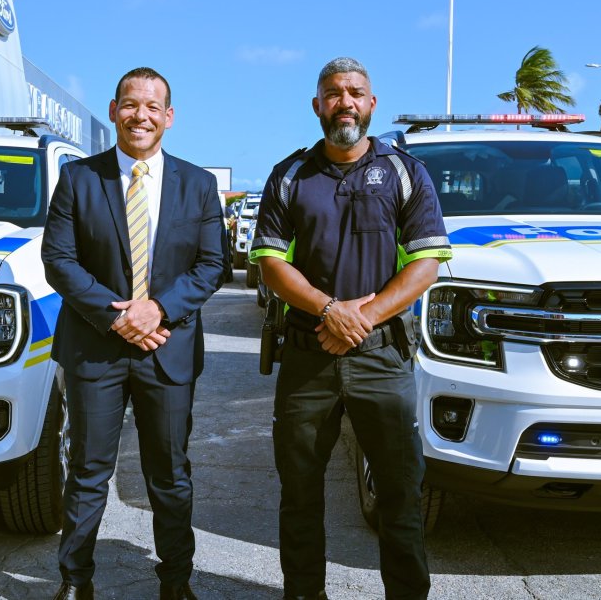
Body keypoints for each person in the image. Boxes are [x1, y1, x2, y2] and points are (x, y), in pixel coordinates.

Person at [250, 57, 450, 600]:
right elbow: (271, 264)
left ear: (371, 104)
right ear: (317, 105)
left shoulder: (406, 171)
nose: (345, 102)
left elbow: (426, 265)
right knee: (299, 494)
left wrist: (362, 316)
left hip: (382, 357)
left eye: (355, 92)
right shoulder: (290, 175)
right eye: (334, 93)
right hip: (307, 355)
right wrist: (328, 310)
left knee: (400, 495)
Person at [41, 67, 224, 600]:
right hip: (95, 349)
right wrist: (117, 315)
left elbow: (212, 265)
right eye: (129, 104)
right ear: (114, 109)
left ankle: (175, 582)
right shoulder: (79, 178)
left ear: (168, 117)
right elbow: (59, 259)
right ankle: (75, 581)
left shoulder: (199, 184)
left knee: (169, 475)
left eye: (152, 107)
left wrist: (157, 311)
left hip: (166, 350)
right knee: (87, 472)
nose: (139, 115)